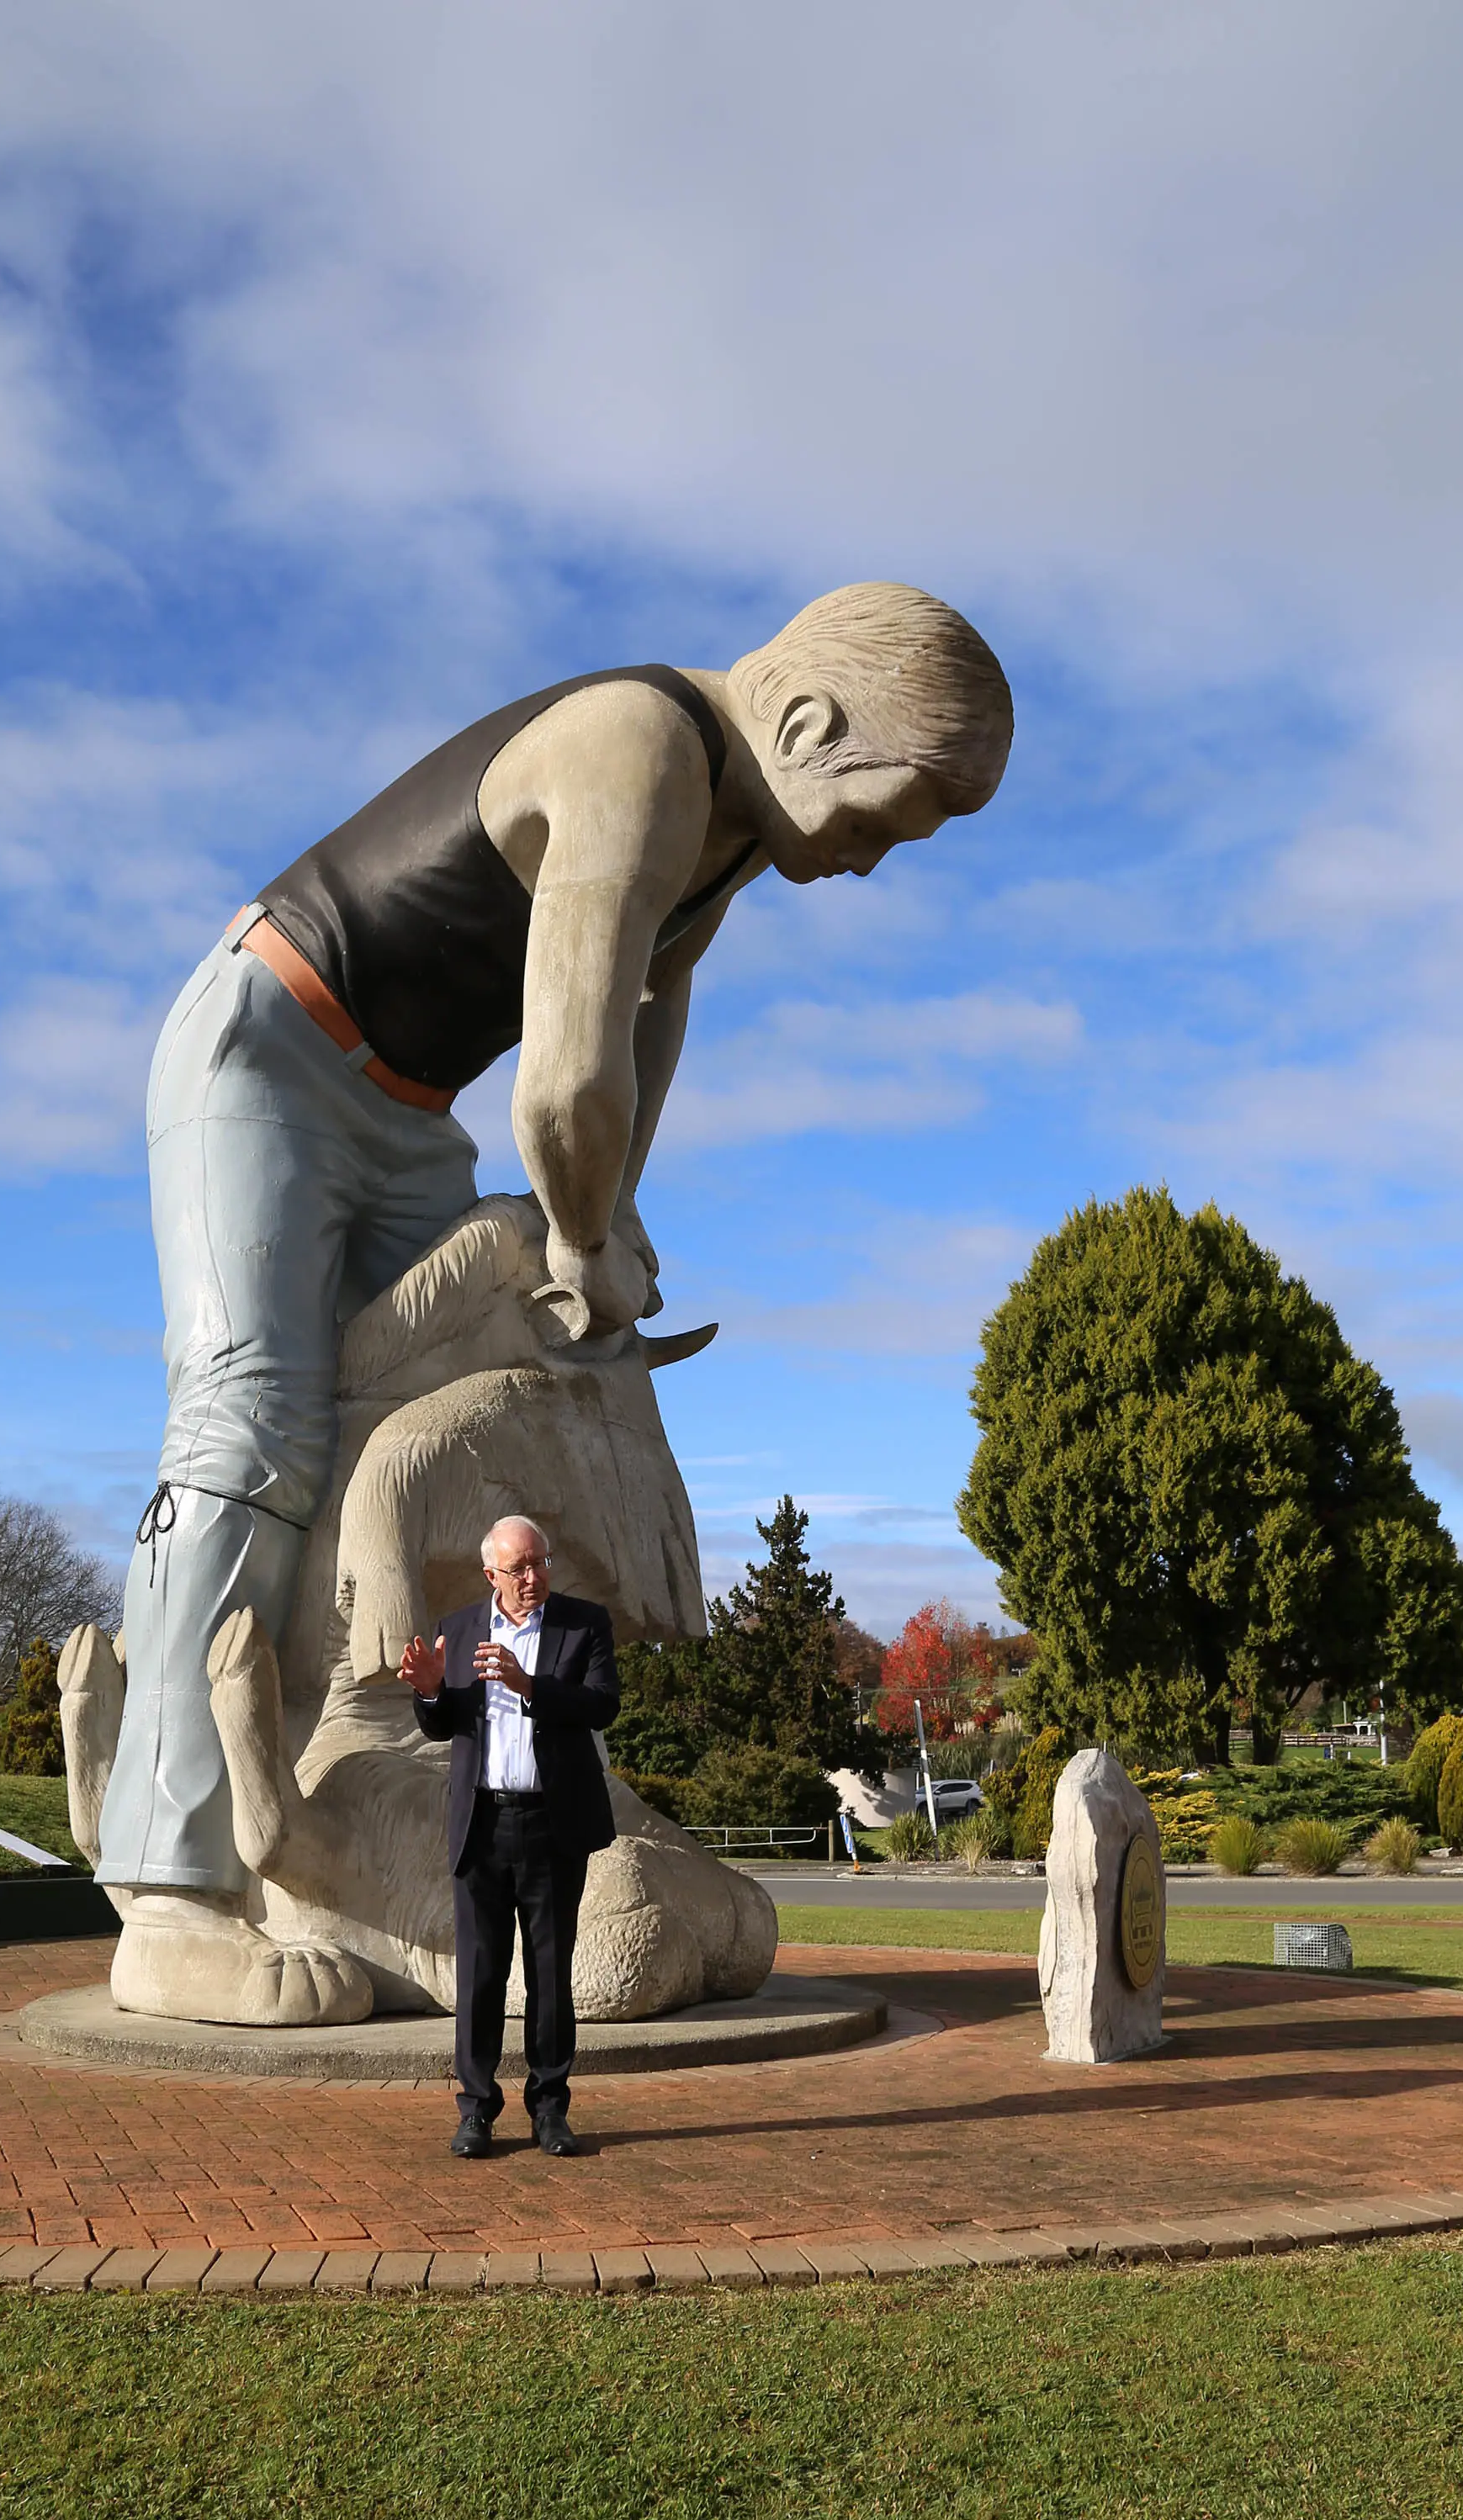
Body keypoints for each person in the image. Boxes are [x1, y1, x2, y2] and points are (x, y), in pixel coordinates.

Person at [92, 582, 1013, 2022]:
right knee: (252, 1420)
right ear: (809, 722)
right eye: (891, 812)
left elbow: (649, 1011)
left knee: (437, 1372)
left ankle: (314, 1832)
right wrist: (580, 1230)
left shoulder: (727, 833)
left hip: (399, 1112)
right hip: (265, 1056)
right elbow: (566, 1081)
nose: (880, 856)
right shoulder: (638, 750)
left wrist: (609, 1218)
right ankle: (166, 1892)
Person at [399, 1515, 618, 2155]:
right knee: (480, 1973)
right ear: (491, 1574)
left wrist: (531, 1689)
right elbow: (443, 1726)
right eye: (518, 1568)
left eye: (540, 1562)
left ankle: (550, 2109)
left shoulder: (584, 1624)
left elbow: (603, 1704)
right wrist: (433, 1693)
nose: (533, 1577)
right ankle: (476, 2110)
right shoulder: (459, 1628)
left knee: (550, 1974)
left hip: (554, 1823)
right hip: (482, 1823)